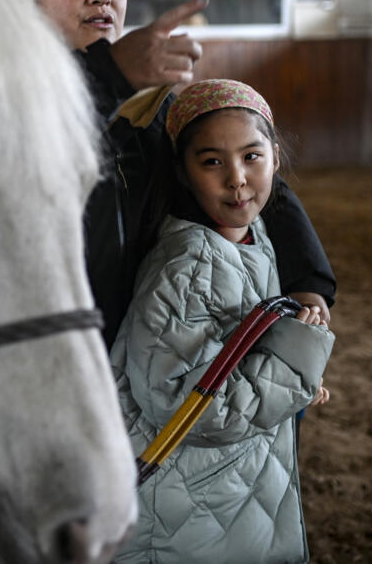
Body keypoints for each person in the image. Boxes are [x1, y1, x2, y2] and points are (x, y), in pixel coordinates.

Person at [19, 0, 336, 347]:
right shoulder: (5, 103)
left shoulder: (154, 102)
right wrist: (109, 73)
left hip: (150, 352)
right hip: (53, 353)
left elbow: (258, 182)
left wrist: (308, 279)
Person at [109, 79, 334, 563]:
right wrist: (293, 371)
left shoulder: (254, 236)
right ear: (184, 174)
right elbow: (187, 410)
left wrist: (289, 370)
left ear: (275, 156)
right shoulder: (187, 267)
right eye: (212, 162)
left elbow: (248, 356)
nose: (236, 178)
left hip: (225, 492)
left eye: (251, 156)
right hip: (187, 511)